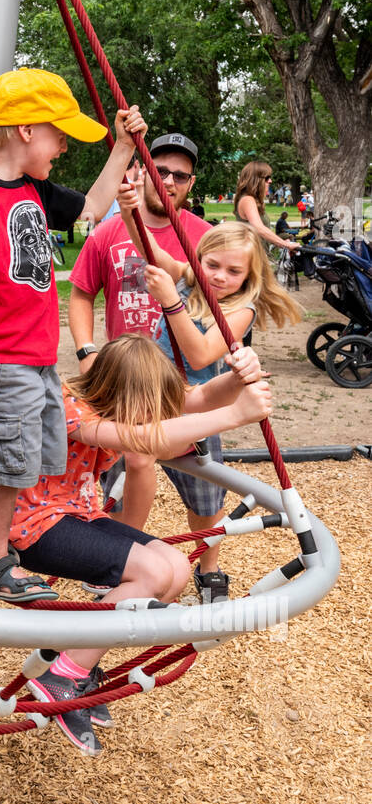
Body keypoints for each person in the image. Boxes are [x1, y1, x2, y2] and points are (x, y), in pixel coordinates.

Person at [0, 66, 146, 602]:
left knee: (27, 458)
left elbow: (94, 210)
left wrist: (121, 149)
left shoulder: (35, 189)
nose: (63, 147)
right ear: (27, 130)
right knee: (10, 464)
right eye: (59, 135)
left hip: (35, 357)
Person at [9, 335, 271, 754]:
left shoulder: (125, 397)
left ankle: (77, 661)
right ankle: (63, 674)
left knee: (176, 569)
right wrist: (235, 415)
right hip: (32, 525)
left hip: (77, 514)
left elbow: (201, 396)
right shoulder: (70, 408)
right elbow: (143, 439)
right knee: (150, 572)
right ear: (119, 393)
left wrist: (237, 378)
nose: (157, 417)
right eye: (151, 409)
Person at [118, 178, 302, 599]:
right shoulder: (188, 278)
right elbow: (150, 248)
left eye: (233, 271)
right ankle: (122, 550)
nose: (219, 277)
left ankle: (209, 568)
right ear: (199, 259)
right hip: (147, 398)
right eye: (212, 265)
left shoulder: (241, 309)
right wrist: (129, 208)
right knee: (134, 461)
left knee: (205, 504)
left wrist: (171, 301)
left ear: (250, 275)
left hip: (196, 410)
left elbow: (200, 354)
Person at [68, 130, 210, 531]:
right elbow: (80, 295)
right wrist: (87, 353)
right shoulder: (108, 233)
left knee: (206, 492)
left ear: (191, 184)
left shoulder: (201, 238)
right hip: (125, 384)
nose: (168, 181)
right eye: (158, 170)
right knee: (121, 475)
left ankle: (209, 570)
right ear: (140, 171)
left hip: (188, 384)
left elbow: (218, 301)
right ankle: (120, 559)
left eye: (180, 176)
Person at [234, 161, 297, 254]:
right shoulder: (247, 199)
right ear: (255, 180)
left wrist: (279, 241)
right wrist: (285, 244)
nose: (270, 181)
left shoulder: (252, 200)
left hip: (259, 257)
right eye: (267, 178)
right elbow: (259, 228)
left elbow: (261, 235)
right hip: (251, 259)